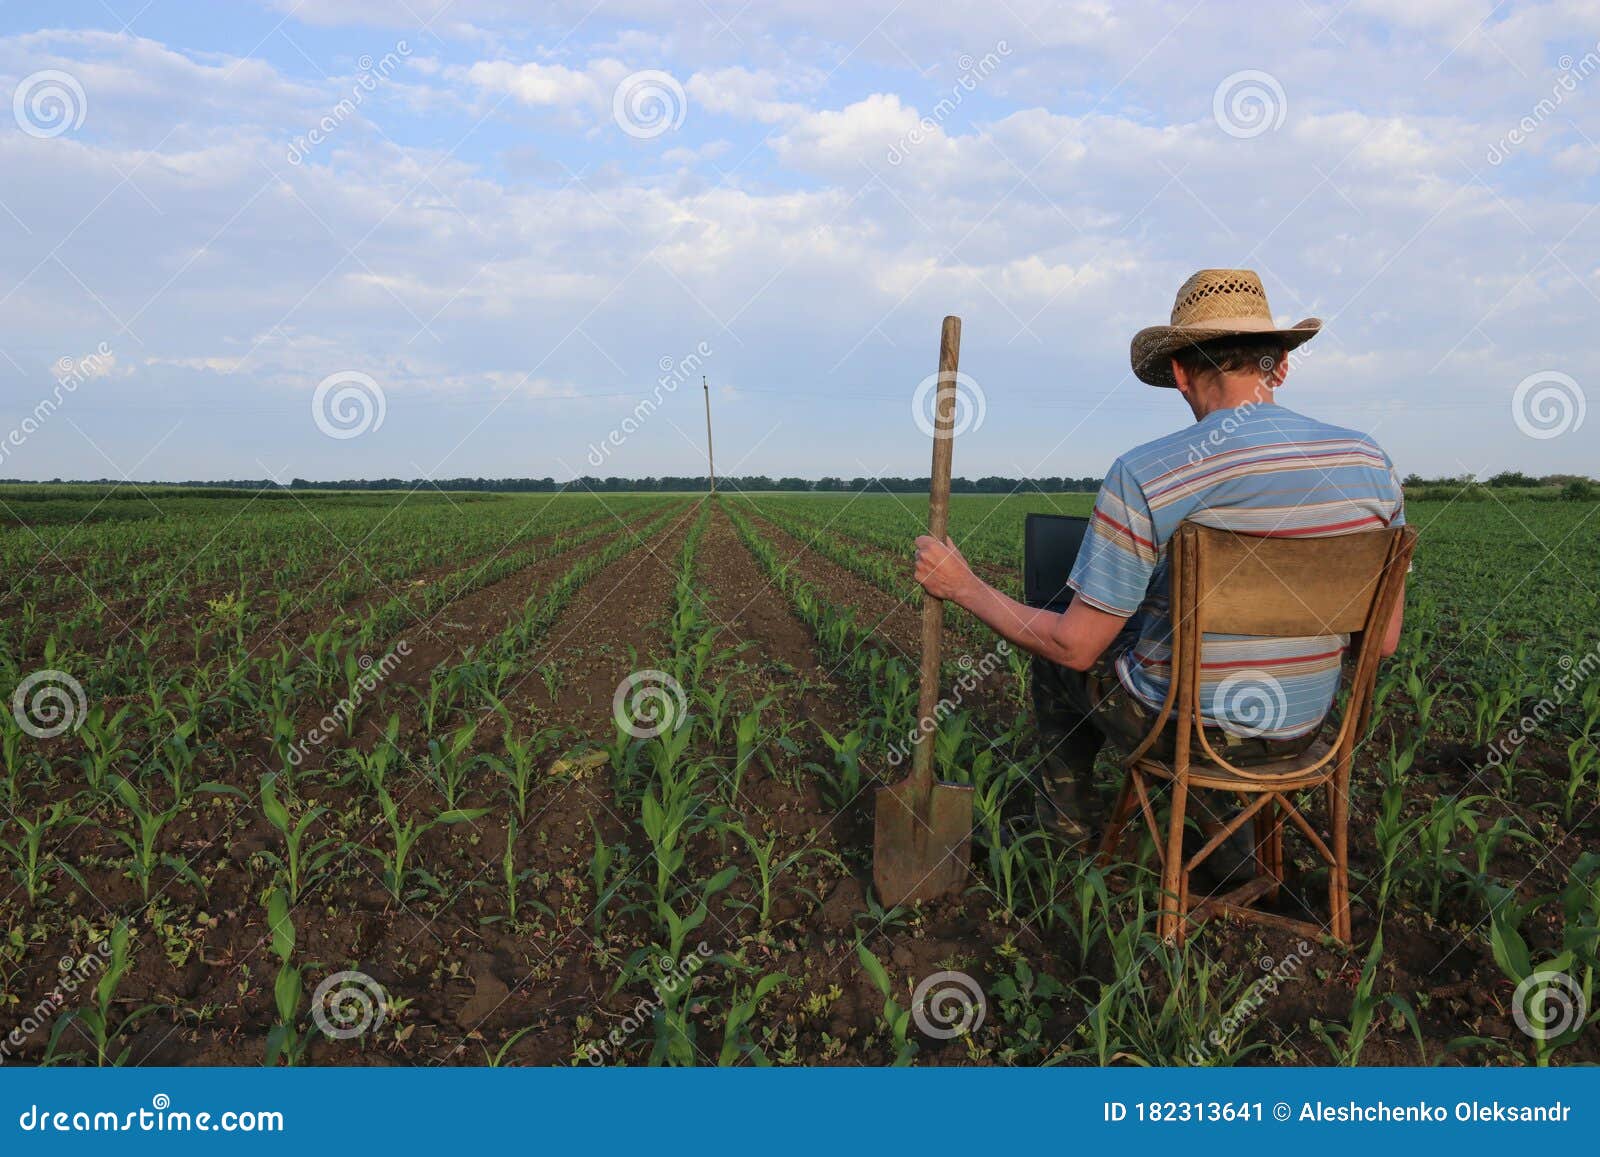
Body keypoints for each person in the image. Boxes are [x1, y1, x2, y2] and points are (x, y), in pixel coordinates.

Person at [913, 269, 1406, 868]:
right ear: (1279, 363)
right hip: (1306, 732)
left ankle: (1064, 849)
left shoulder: (1151, 472)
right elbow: (1380, 642)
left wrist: (962, 586)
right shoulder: (1370, 462)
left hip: (1189, 735)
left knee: (1057, 667)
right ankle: (1236, 841)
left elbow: (1074, 647)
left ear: (1178, 371)